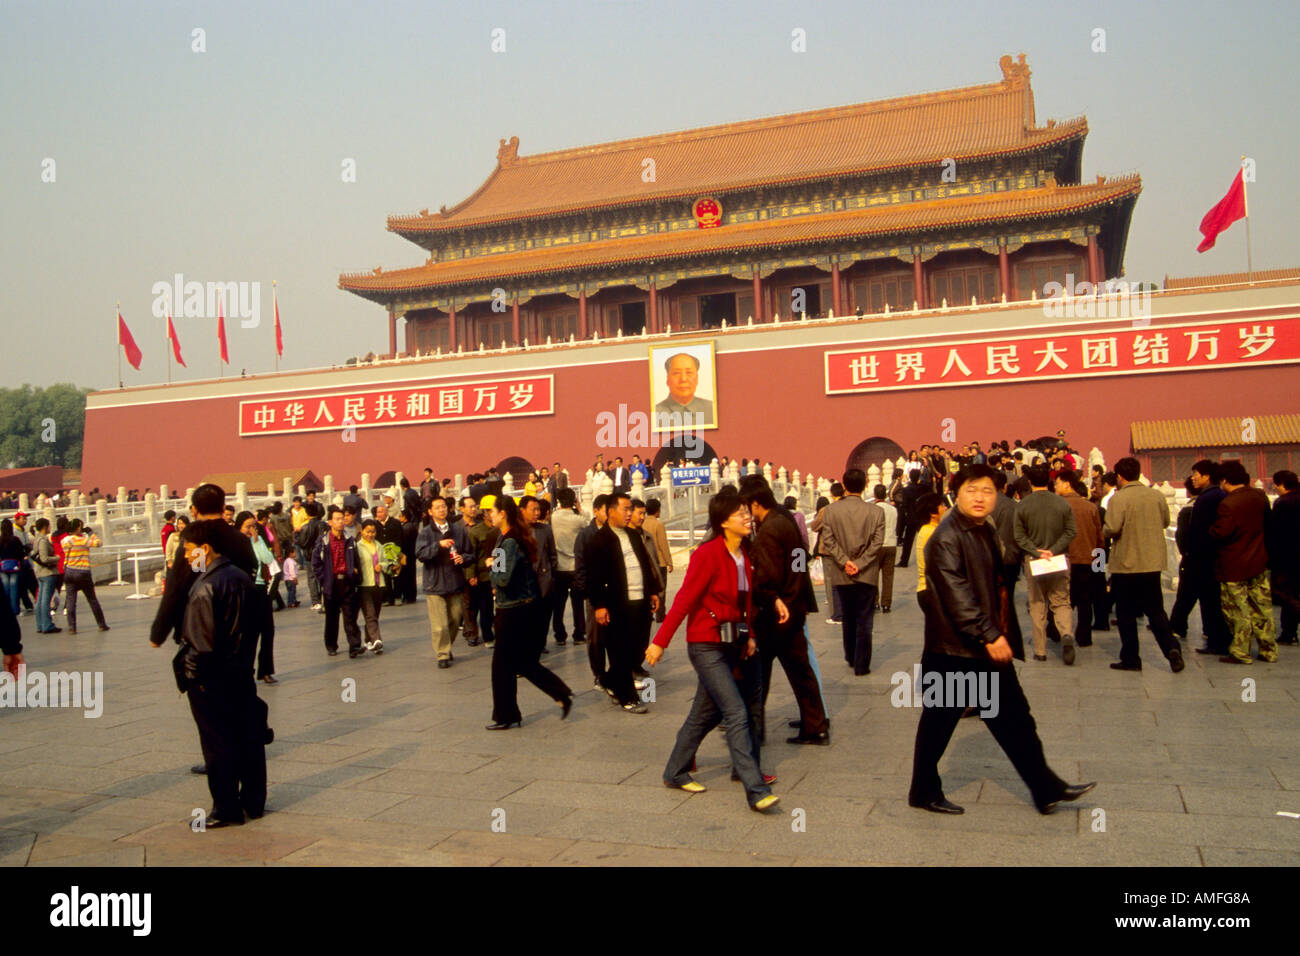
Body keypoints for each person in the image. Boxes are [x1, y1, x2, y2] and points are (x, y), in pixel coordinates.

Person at [909, 463, 1096, 815]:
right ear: (955, 493)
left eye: (987, 491)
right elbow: (956, 594)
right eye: (971, 490)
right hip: (956, 650)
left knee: (1013, 719)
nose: (980, 498)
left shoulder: (982, 528)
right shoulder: (946, 538)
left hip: (978, 649)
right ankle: (923, 791)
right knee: (939, 723)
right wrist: (990, 634)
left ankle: (1045, 788)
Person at [648, 488, 779, 812]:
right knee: (735, 710)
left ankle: (674, 771)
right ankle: (755, 790)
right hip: (706, 644)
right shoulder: (707, 554)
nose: (747, 518)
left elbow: (745, 603)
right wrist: (659, 642)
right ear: (723, 521)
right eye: (740, 514)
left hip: (734, 641)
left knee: (704, 715)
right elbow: (684, 600)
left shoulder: (744, 556)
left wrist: (748, 636)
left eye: (747, 512)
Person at [176, 520, 269, 827]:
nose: (187, 557)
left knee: (217, 744)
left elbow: (201, 645)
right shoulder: (242, 577)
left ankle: (226, 808)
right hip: (240, 671)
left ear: (205, 549)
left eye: (189, 551)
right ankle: (253, 802)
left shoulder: (205, 587)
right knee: (247, 738)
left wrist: (193, 678)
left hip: (211, 678)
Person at [742, 483, 827, 745]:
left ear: (756, 504)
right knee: (801, 671)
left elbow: (766, 576)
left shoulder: (768, 531)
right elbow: (801, 552)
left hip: (775, 615)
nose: (747, 514)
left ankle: (754, 732)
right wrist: (797, 586)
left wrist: (773, 596)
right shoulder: (786, 520)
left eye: (747, 508)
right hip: (794, 605)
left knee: (759, 676)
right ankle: (816, 725)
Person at [485, 495, 573, 729]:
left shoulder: (508, 541)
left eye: (492, 511)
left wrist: (490, 565)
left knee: (502, 666)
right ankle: (560, 693)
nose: (489, 515)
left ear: (503, 513)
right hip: (521, 608)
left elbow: (502, 578)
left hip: (512, 610)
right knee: (522, 662)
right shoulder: (511, 536)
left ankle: (507, 715)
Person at [1103, 458, 1183, 673]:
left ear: (1119, 477)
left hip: (1126, 564)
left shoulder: (1118, 499)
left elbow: (1111, 528)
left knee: (1126, 613)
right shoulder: (1155, 496)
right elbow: (1165, 522)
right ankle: (1171, 648)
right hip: (1152, 562)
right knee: (1156, 610)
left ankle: (1131, 658)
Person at [587, 492, 662, 712]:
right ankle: (627, 697)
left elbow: (644, 566)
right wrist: (599, 605)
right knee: (620, 651)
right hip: (616, 603)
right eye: (625, 509)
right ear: (611, 511)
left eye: (631, 509)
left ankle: (609, 681)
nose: (629, 514)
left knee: (637, 649)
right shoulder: (599, 540)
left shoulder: (633, 535)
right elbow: (594, 577)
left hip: (640, 601)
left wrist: (653, 592)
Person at [818, 469, 884, 676]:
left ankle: (850, 655)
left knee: (848, 615)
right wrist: (860, 563)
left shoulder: (831, 511)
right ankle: (862, 664)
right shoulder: (876, 512)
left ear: (844, 486)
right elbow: (877, 543)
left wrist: (845, 561)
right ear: (866, 485)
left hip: (842, 573)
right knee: (865, 619)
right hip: (867, 573)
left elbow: (828, 540)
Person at [1210, 460, 1278, 665]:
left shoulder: (1228, 503)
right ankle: (1268, 649)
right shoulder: (1259, 496)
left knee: (1237, 610)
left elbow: (1221, 533)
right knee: (1262, 608)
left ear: (1224, 480)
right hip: (1258, 561)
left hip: (1234, 565)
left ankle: (1240, 651)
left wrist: (1210, 530)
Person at [1013, 465, 1077, 664]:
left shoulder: (1023, 505)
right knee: (1061, 601)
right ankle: (1066, 633)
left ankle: (1040, 650)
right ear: (1049, 482)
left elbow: (1019, 536)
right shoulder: (1062, 503)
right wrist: (1054, 549)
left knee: (1037, 604)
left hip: (1034, 561)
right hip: (1058, 559)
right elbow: (1070, 531)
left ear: (1030, 482)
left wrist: (1035, 551)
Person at [1179, 460, 1231, 655]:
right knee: (1216, 601)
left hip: (1203, 558)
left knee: (1210, 602)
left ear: (1207, 476)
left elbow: (1199, 532)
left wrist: (1191, 555)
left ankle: (1217, 641)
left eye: (1196, 473)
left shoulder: (1207, 498)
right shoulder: (1221, 494)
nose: (1193, 477)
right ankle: (1220, 638)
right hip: (1217, 557)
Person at [415, 496, 472, 668]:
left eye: (444, 507)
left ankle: (446, 645)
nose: (442, 510)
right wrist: (438, 546)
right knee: (440, 625)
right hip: (434, 584)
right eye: (438, 507)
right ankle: (442, 654)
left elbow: (470, 553)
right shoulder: (425, 533)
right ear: (430, 512)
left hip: (455, 581)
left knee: (455, 619)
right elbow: (420, 554)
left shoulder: (458, 530)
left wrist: (464, 558)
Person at [1055, 470, 1102, 651]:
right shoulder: (1090, 507)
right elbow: (1100, 540)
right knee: (1084, 600)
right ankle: (1084, 636)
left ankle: (1057, 631)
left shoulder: (1058, 506)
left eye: (1058, 483)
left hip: (1064, 560)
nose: (1056, 486)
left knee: (1061, 599)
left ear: (1067, 484)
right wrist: (1099, 567)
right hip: (1087, 561)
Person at [312, 506, 365, 658]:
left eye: (342, 519)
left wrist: (355, 573)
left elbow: (356, 559)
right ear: (330, 522)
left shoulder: (349, 539)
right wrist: (324, 579)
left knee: (350, 616)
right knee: (332, 617)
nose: (341, 522)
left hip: (347, 581)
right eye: (337, 519)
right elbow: (316, 563)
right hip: (331, 582)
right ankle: (331, 645)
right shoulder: (324, 541)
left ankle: (354, 646)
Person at [235, 511, 278, 683]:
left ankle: (266, 670)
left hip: (260, 587)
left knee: (268, 630)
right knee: (249, 634)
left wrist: (257, 541)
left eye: (254, 526)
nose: (251, 529)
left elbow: (268, 559)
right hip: (244, 589)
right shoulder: (236, 544)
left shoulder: (258, 540)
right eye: (248, 526)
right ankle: (245, 670)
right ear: (240, 528)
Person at [520, 495, 557, 655]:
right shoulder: (510, 532)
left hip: (543, 582)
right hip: (520, 586)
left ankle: (538, 645)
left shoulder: (545, 530)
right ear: (521, 511)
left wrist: (550, 575)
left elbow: (553, 555)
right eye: (533, 509)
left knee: (542, 618)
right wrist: (497, 582)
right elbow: (498, 557)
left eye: (538, 510)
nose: (537, 513)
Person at [550, 487, 586, 644]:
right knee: (577, 603)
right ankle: (579, 635)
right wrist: (580, 509)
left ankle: (560, 635)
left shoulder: (553, 517)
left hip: (559, 567)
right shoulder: (578, 519)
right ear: (573, 501)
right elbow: (589, 525)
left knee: (559, 604)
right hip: (575, 567)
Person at [61, 520, 109, 634]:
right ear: (78, 528)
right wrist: (91, 533)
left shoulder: (65, 541)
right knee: (92, 599)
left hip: (68, 571)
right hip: (83, 572)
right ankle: (101, 624)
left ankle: (72, 627)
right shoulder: (82, 540)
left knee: (70, 601)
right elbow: (98, 543)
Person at [1270, 470, 1300, 646]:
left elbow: (1276, 533)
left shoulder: (1283, 503)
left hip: (1287, 557)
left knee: (1287, 595)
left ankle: (1289, 633)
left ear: (1281, 484)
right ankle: (1288, 633)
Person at [466, 495, 499, 647]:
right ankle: (488, 636)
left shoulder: (500, 529)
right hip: (483, 575)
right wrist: (471, 575)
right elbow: (471, 555)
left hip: (499, 572)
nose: (493, 514)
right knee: (485, 607)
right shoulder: (476, 531)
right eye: (490, 511)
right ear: (484, 512)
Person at [355, 518, 389, 655]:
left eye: (373, 532)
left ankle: (369, 639)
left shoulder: (379, 546)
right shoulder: (357, 547)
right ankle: (377, 640)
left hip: (378, 583)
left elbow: (386, 562)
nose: (370, 534)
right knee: (370, 614)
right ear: (362, 531)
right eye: (368, 531)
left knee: (376, 613)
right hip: (364, 585)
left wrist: (382, 566)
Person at [654, 351, 714, 425]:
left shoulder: (712, 409)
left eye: (689, 373)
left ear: (697, 378)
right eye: (676, 373)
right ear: (668, 379)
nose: (683, 379)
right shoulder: (655, 414)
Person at [912, 492, 949, 605]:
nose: (945, 508)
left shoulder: (928, 529)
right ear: (932, 513)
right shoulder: (931, 532)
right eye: (942, 505)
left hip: (928, 588)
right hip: (932, 590)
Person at [642, 498, 672, 624]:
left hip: (647, 562)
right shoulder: (658, 525)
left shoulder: (642, 523)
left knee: (648, 589)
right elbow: (663, 545)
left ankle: (649, 613)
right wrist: (669, 561)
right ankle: (660, 614)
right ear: (657, 510)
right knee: (661, 589)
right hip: (659, 562)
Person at [29, 518, 61, 633]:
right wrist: (57, 558)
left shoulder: (37, 539)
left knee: (40, 599)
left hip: (39, 572)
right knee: (45, 600)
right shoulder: (43, 540)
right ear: (45, 527)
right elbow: (44, 558)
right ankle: (47, 624)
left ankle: (40, 624)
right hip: (47, 572)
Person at [871, 484, 898, 612]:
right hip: (891, 543)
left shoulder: (872, 509)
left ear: (874, 495)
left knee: (873, 574)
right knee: (888, 576)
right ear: (886, 495)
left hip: (877, 545)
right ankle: (886, 604)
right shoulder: (893, 509)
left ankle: (875, 602)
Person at [0, 520, 25, 615]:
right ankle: (14, 609)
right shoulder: (15, 539)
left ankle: (5, 609)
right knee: (14, 588)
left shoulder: (0, 540)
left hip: (3, 567)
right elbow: (21, 553)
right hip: (14, 566)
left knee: (6, 588)